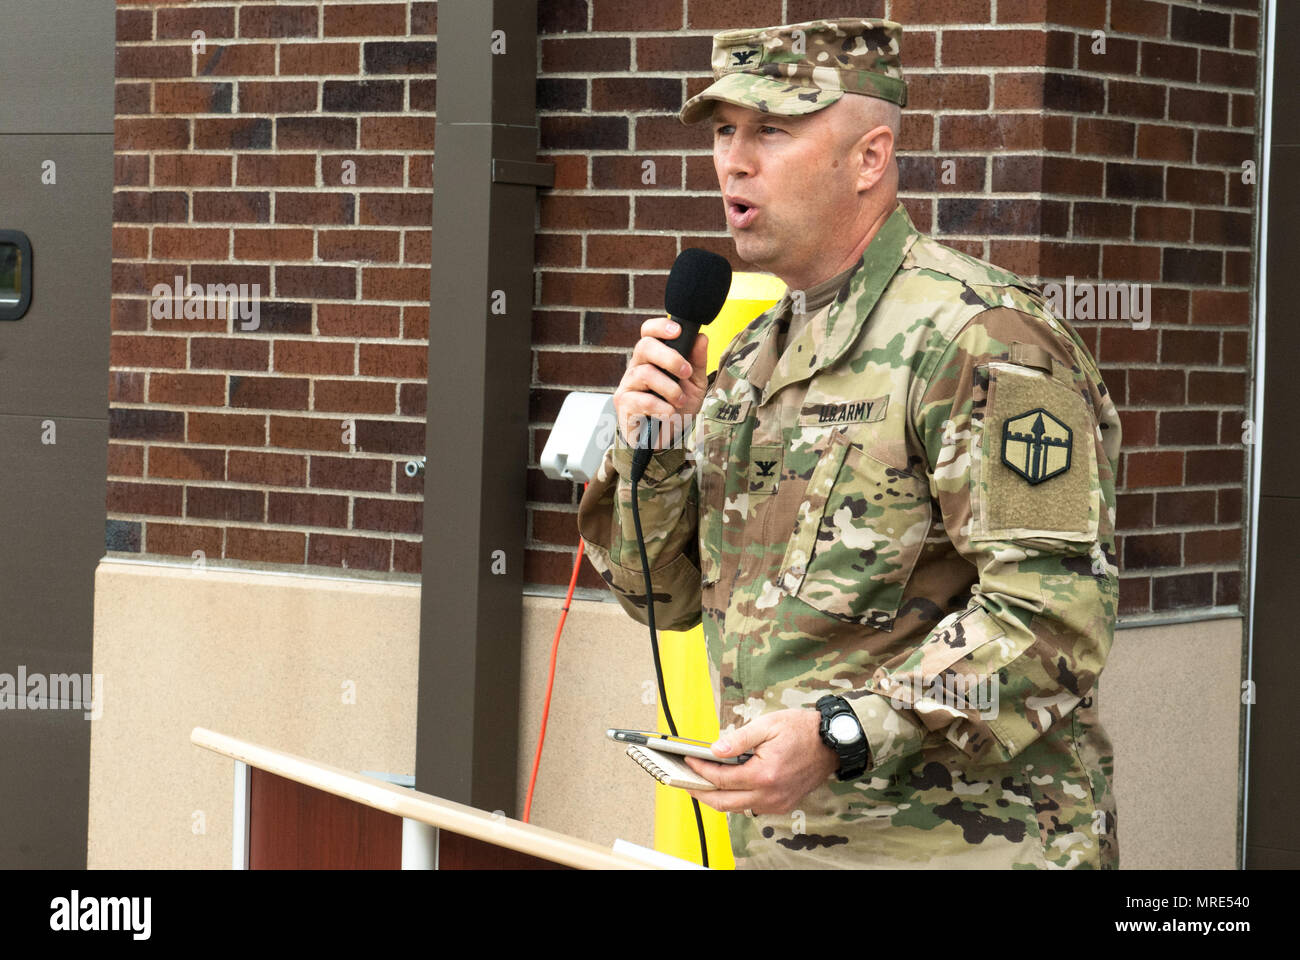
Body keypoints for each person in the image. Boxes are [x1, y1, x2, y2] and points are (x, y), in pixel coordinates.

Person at [576, 18, 1122, 869]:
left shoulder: (984, 339)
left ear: (870, 158)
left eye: (772, 130)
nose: (734, 160)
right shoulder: (751, 358)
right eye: (724, 131)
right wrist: (654, 446)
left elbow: (1054, 618)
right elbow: (665, 601)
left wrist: (842, 734)